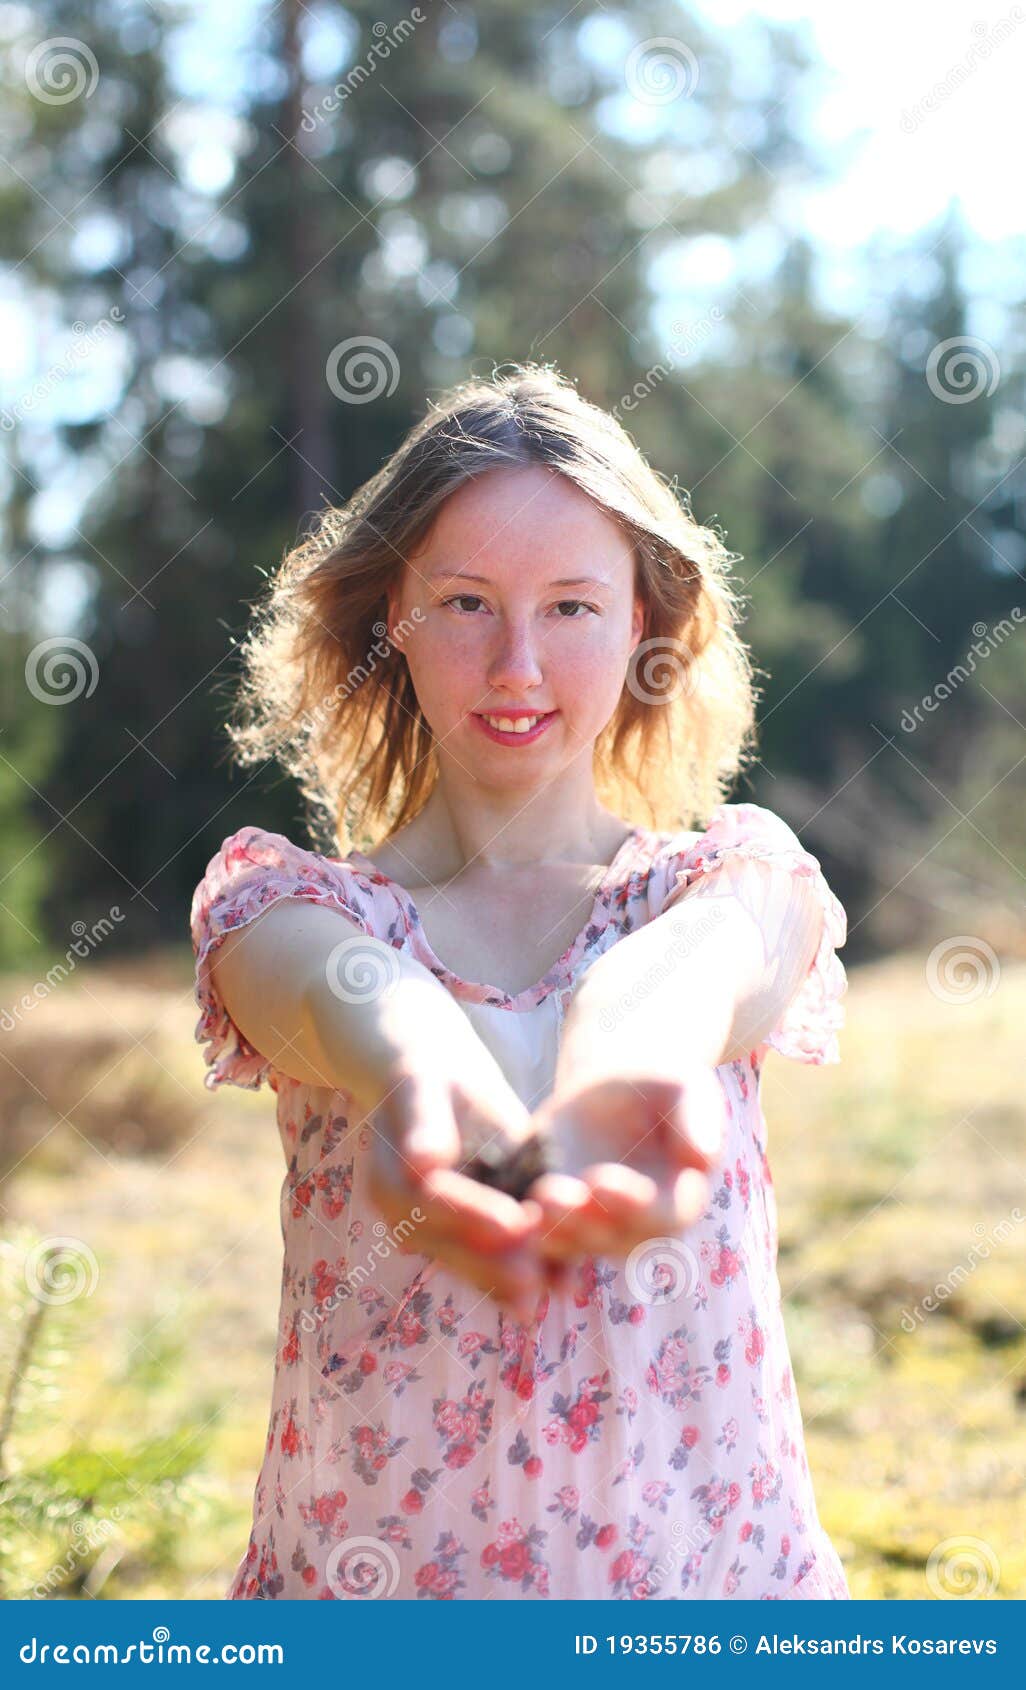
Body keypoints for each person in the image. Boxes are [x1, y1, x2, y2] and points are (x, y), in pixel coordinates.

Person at [190, 362, 850, 1600]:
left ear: (644, 624)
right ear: (392, 617)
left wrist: (630, 1063)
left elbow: (685, 971)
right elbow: (359, 995)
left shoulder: (732, 883)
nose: (517, 665)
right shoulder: (283, 908)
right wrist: (426, 1083)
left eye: (571, 607)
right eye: (466, 602)